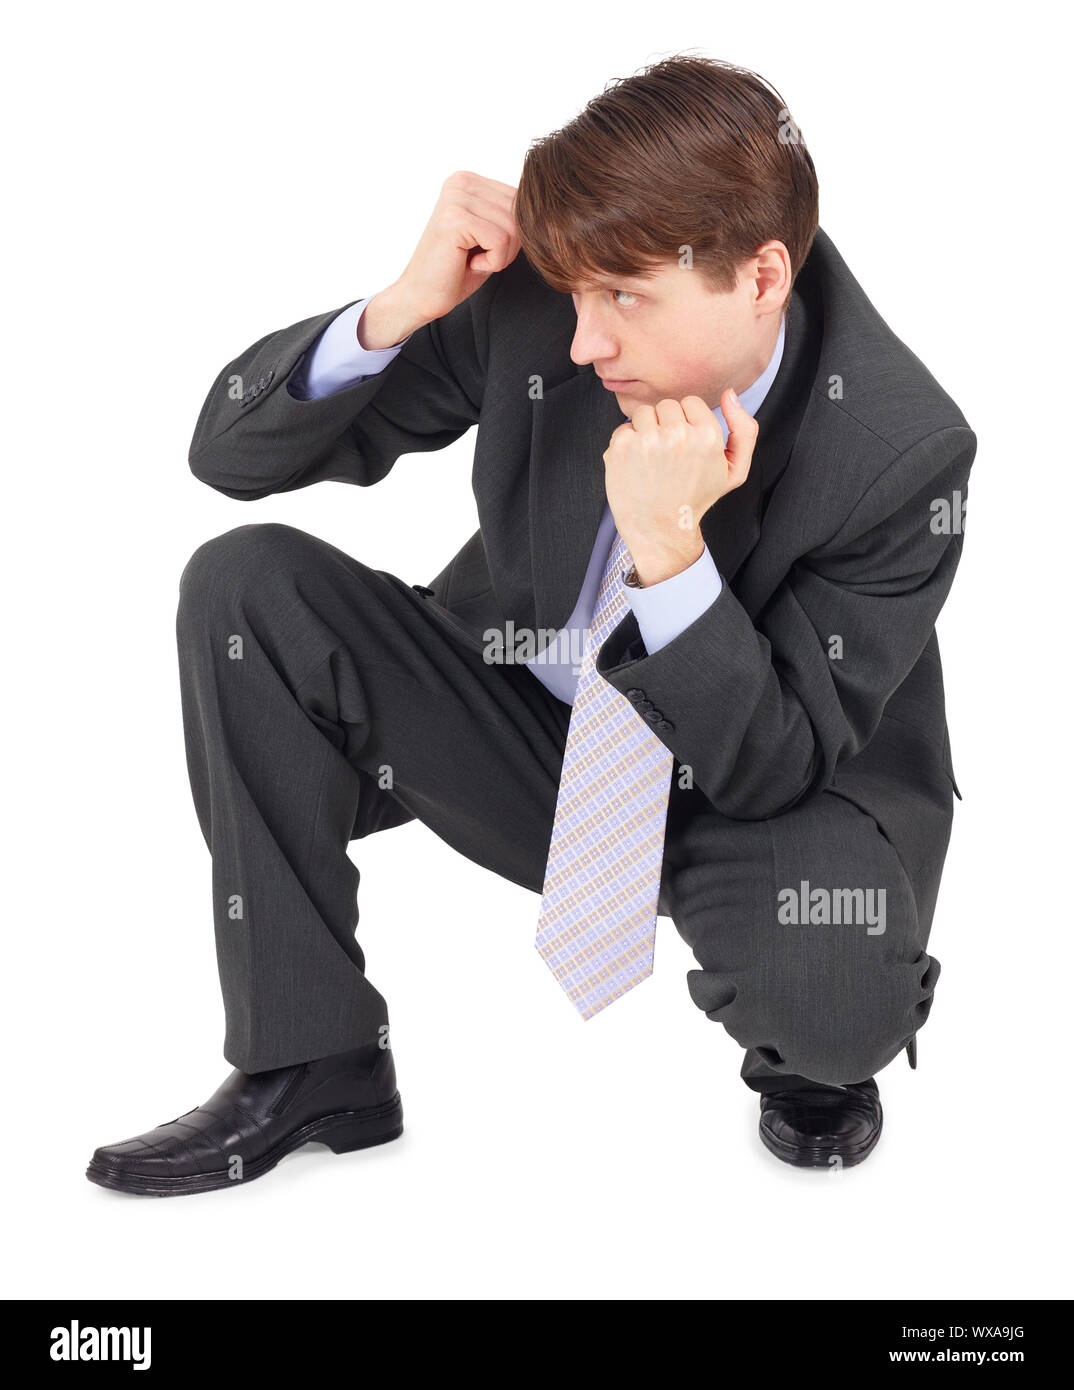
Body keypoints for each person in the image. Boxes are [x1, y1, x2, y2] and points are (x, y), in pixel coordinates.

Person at [87, 54, 974, 1195]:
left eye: (627, 300)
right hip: (527, 725)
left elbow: (772, 762)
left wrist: (673, 560)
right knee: (245, 589)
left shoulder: (903, 455)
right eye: (579, 295)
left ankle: (805, 1045)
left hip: (760, 783)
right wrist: (397, 306)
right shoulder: (552, 304)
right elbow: (230, 457)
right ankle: (313, 1061)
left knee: (834, 1003)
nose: (583, 342)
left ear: (761, 277)